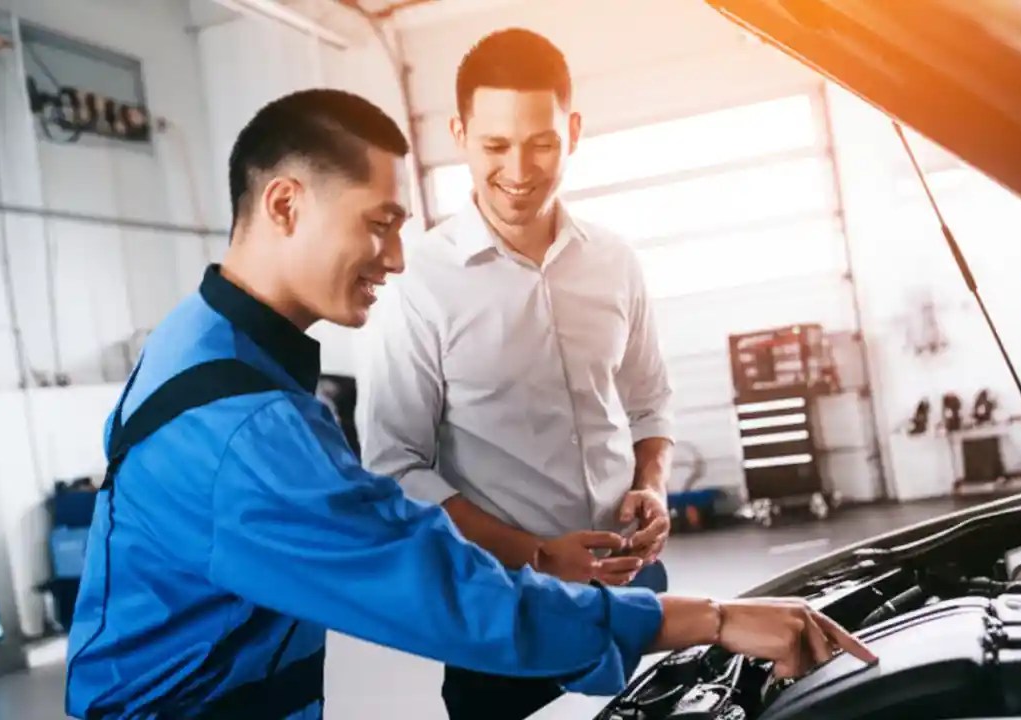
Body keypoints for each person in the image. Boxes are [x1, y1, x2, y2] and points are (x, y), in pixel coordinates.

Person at [62, 88, 875, 719]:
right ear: (284, 204)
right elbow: (447, 593)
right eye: (378, 225)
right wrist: (715, 619)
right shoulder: (245, 429)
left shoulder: (202, 340)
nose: (394, 256)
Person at [359, 28, 676, 719]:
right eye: (495, 145)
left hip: (636, 586)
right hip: (504, 609)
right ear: (459, 134)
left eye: (542, 142)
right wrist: (536, 555)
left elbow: (650, 404)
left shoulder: (615, 261)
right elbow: (396, 464)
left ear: (574, 131)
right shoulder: (421, 281)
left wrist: (651, 486)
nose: (520, 169)